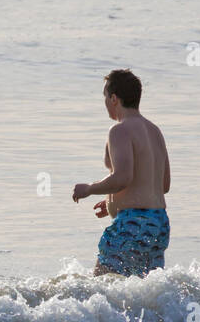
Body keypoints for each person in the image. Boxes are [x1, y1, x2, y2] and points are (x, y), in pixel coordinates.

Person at [71, 70, 171, 276]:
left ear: (114, 98)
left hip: (133, 224)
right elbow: (164, 184)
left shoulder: (119, 130)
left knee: (102, 289)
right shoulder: (154, 130)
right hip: (158, 223)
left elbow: (123, 177)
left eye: (105, 97)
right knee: (146, 296)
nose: (105, 102)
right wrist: (113, 202)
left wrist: (89, 189)